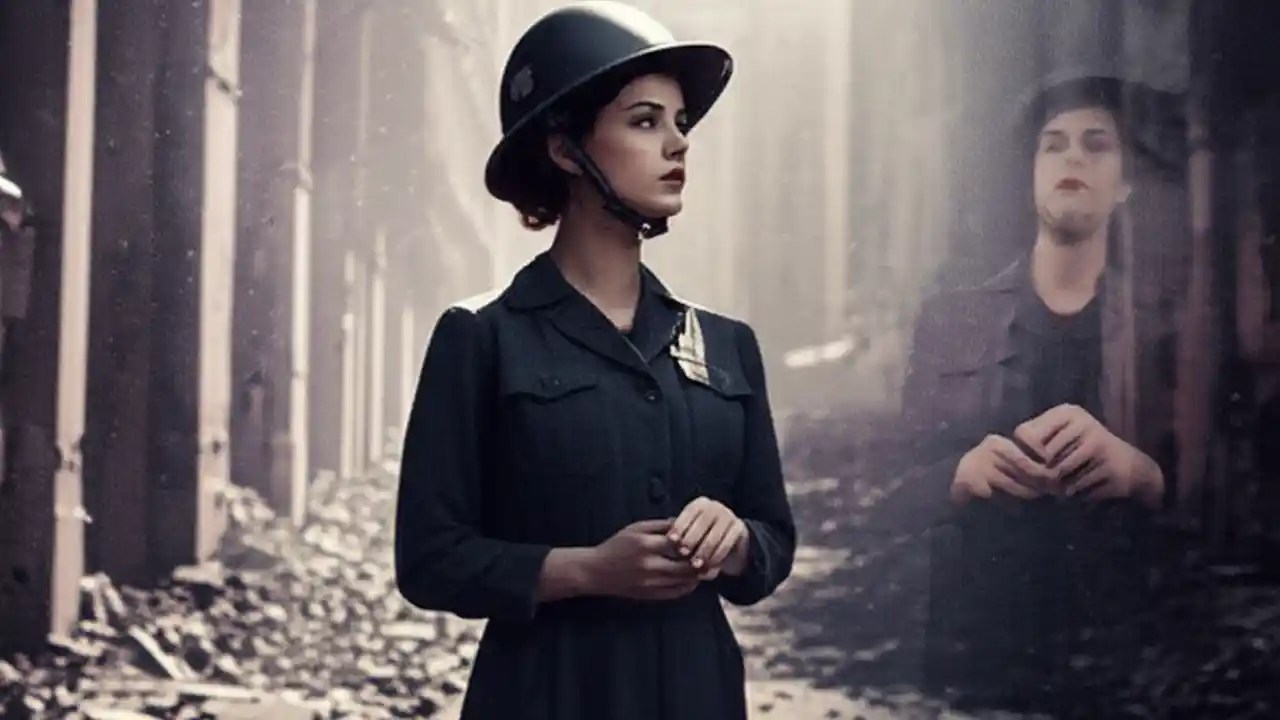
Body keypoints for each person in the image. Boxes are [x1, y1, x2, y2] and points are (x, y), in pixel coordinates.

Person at [393, 3, 796, 718]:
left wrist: (735, 542)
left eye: (680, 124)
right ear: (565, 149)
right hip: (546, 692)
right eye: (644, 121)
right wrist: (585, 570)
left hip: (696, 692)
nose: (677, 144)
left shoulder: (728, 344)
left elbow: (772, 540)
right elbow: (429, 560)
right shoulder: (481, 336)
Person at [901, 72, 1179, 714]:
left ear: (1127, 183)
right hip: (981, 662)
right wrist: (959, 474)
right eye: (1053, 144)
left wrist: (1142, 475)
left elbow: (1227, 513)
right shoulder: (952, 320)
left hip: (1133, 663)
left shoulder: (1170, 324)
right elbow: (892, 491)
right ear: (1031, 175)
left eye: (1096, 144)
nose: (1073, 157)